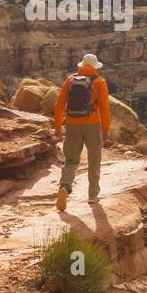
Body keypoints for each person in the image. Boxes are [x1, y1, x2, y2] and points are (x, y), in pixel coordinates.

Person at [54, 53, 110, 210]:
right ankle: (93, 196)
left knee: (71, 160)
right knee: (94, 160)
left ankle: (64, 187)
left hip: (72, 124)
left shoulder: (70, 80)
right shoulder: (100, 82)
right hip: (92, 125)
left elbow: (59, 104)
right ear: (95, 67)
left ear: (82, 66)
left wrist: (58, 127)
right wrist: (105, 130)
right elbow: (105, 109)